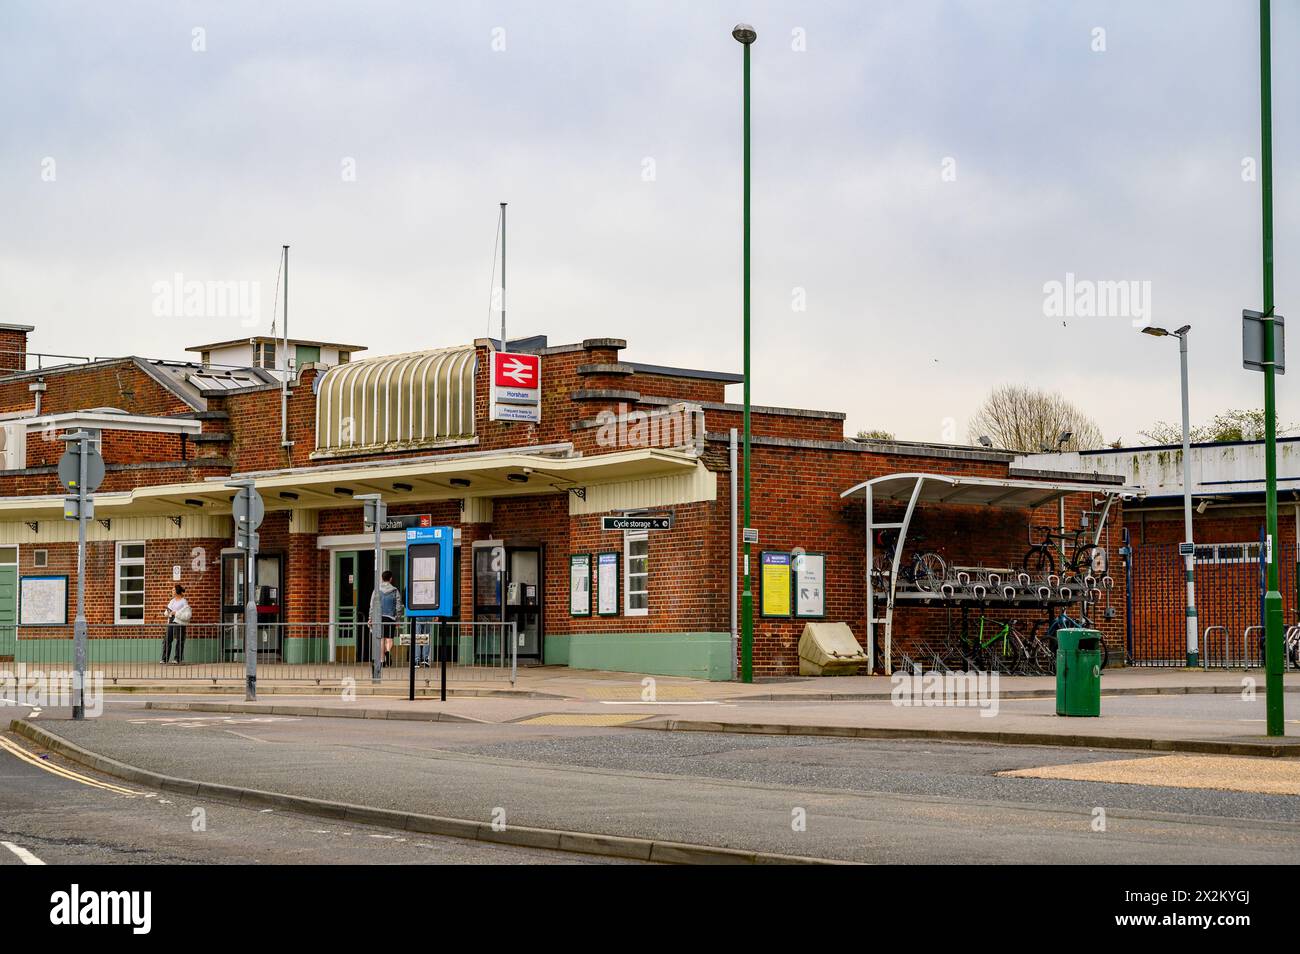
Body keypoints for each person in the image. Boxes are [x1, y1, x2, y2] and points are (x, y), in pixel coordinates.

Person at [162, 584, 191, 664]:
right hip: (171, 620)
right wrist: (168, 612)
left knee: (179, 640)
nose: (172, 591)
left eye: (173, 590)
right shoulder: (172, 601)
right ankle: (164, 659)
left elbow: (187, 614)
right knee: (167, 639)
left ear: (177, 591)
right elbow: (166, 612)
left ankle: (177, 659)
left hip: (179, 622)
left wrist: (176, 613)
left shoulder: (184, 601)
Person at [378, 570, 401, 666]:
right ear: (390, 579)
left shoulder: (377, 590)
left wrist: (370, 617)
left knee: (382, 639)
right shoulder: (395, 590)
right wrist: (398, 618)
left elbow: (372, 605)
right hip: (391, 617)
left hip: (379, 617)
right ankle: (388, 651)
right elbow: (398, 606)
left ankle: (382, 661)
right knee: (390, 638)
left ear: (382, 578)